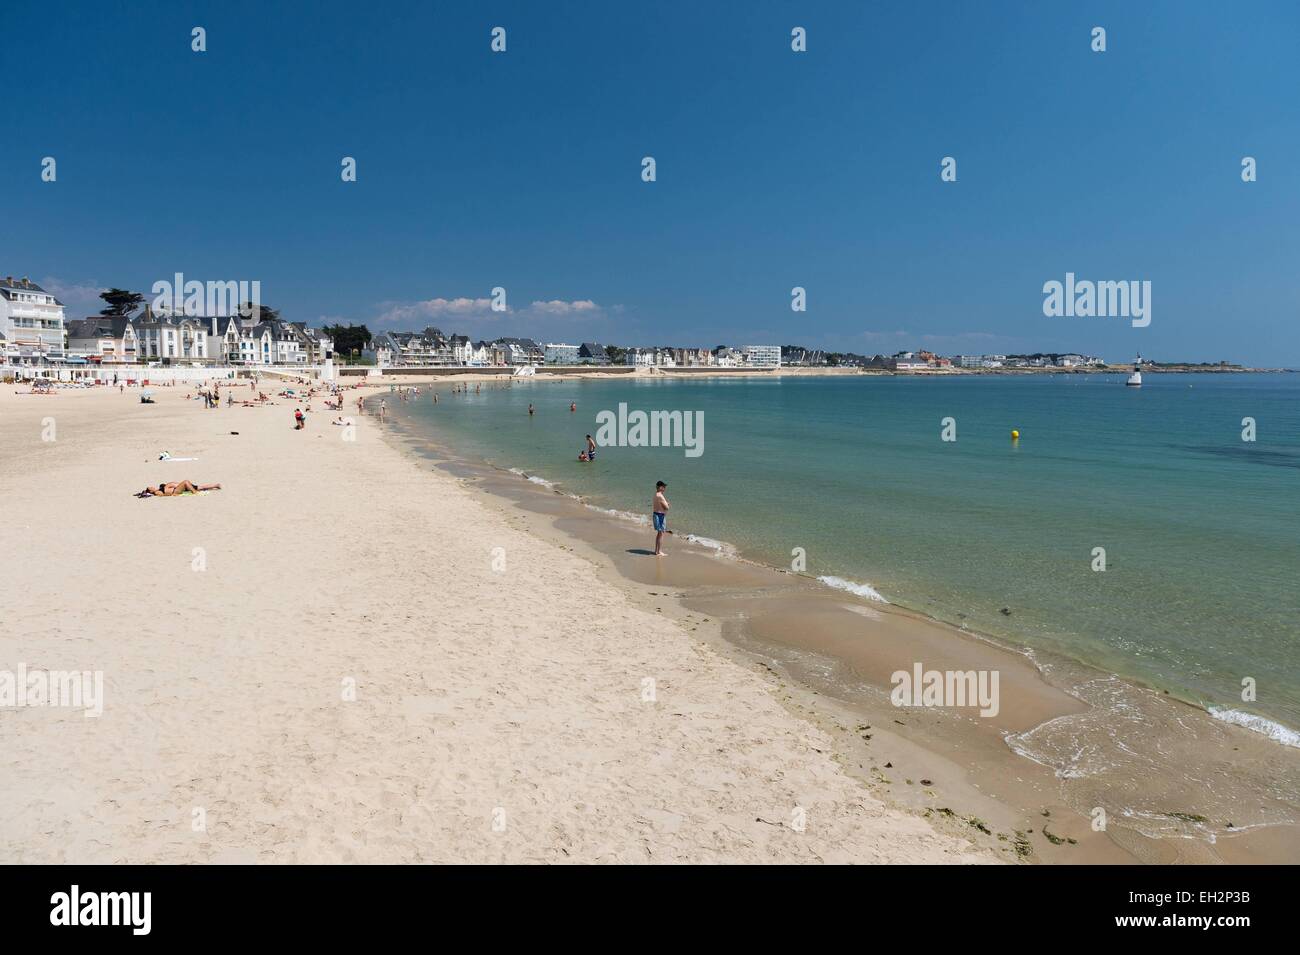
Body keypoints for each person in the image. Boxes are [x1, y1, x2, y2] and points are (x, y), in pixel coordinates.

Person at [138, 480, 222, 497]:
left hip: (176, 488)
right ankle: (195, 492)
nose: (152, 487)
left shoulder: (159, 489)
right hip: (175, 492)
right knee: (185, 482)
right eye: (150, 488)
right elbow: (165, 494)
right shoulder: (157, 493)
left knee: (200, 487)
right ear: (151, 491)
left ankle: (216, 485)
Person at [652, 481, 670, 557]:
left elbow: (660, 505)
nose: (664, 488)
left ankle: (656, 551)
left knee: (659, 534)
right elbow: (666, 507)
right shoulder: (660, 496)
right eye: (663, 487)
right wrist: (667, 504)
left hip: (656, 514)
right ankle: (659, 551)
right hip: (660, 516)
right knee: (661, 533)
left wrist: (665, 504)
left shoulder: (656, 495)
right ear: (660, 487)